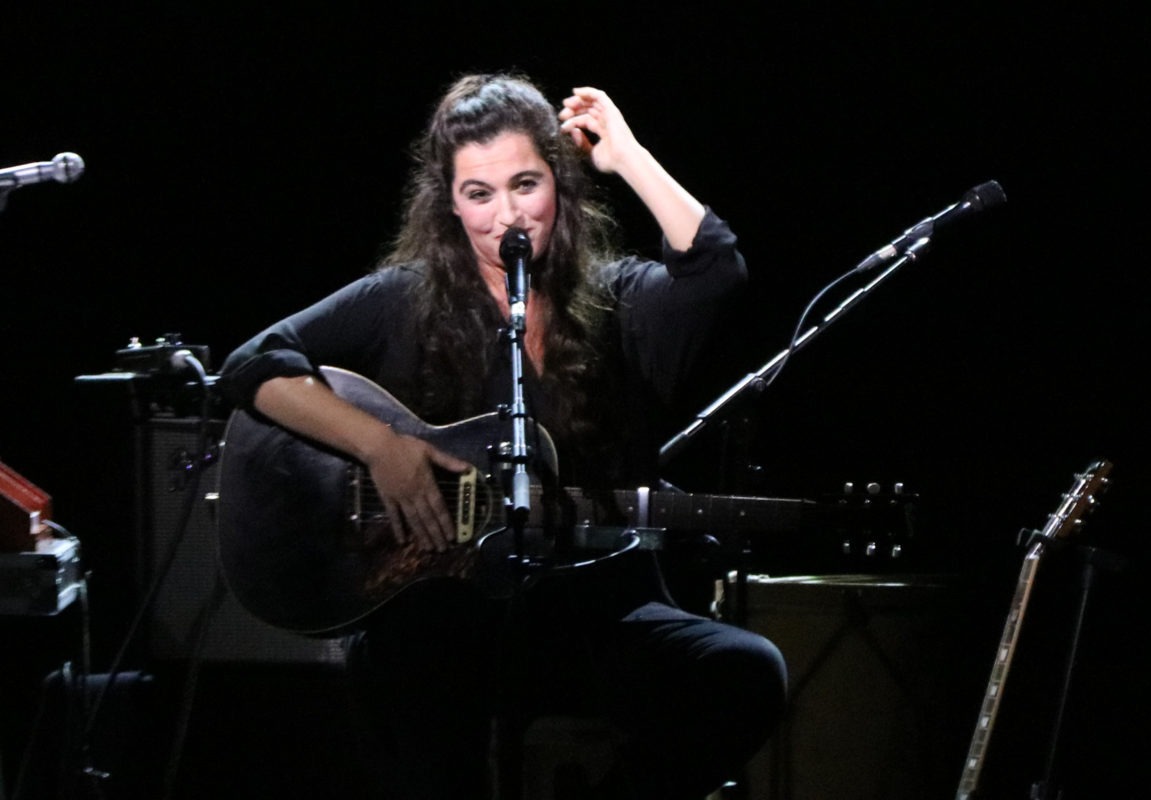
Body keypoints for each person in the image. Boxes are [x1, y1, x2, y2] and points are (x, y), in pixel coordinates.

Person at [220, 73, 786, 799]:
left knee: (745, 672)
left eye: (526, 184)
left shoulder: (619, 300)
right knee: (410, 667)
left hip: (590, 612)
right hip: (446, 621)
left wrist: (628, 153)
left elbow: (715, 269)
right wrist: (380, 446)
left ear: (561, 184)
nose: (505, 216)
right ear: (449, 204)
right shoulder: (406, 299)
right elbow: (253, 364)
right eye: (478, 194)